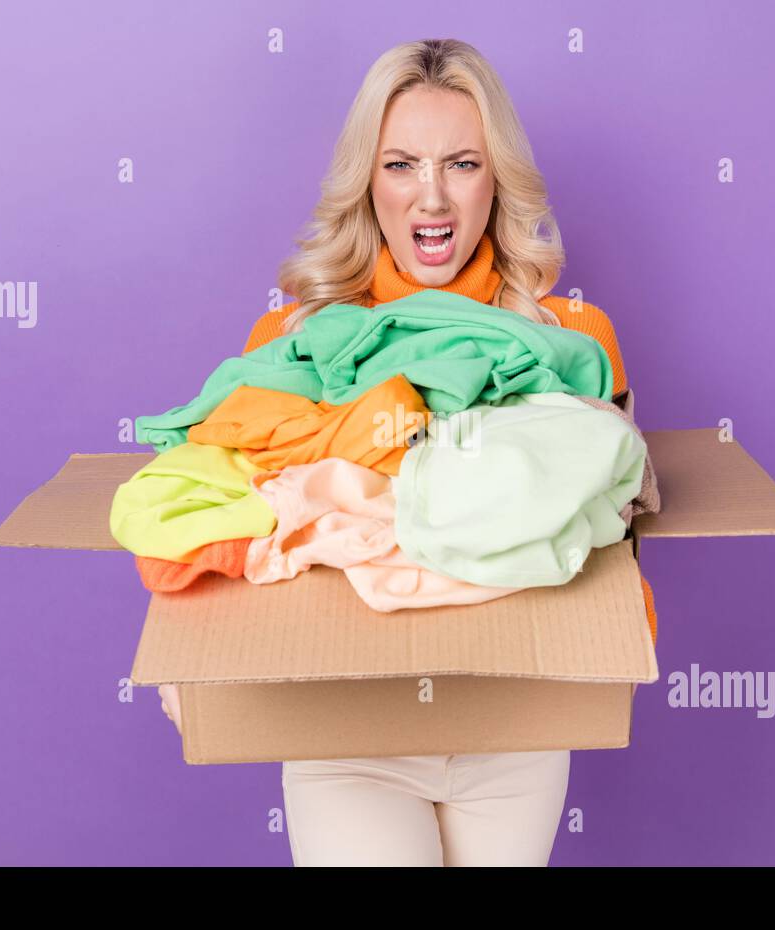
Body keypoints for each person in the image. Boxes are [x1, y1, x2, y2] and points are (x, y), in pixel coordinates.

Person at [160, 38, 632, 866]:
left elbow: (610, 522)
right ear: (367, 182)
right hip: (348, 729)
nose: (432, 196)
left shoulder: (570, 342)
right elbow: (226, 501)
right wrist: (186, 646)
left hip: (515, 723)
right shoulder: (295, 344)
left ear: (498, 179)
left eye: (461, 163)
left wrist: (615, 653)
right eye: (402, 164)